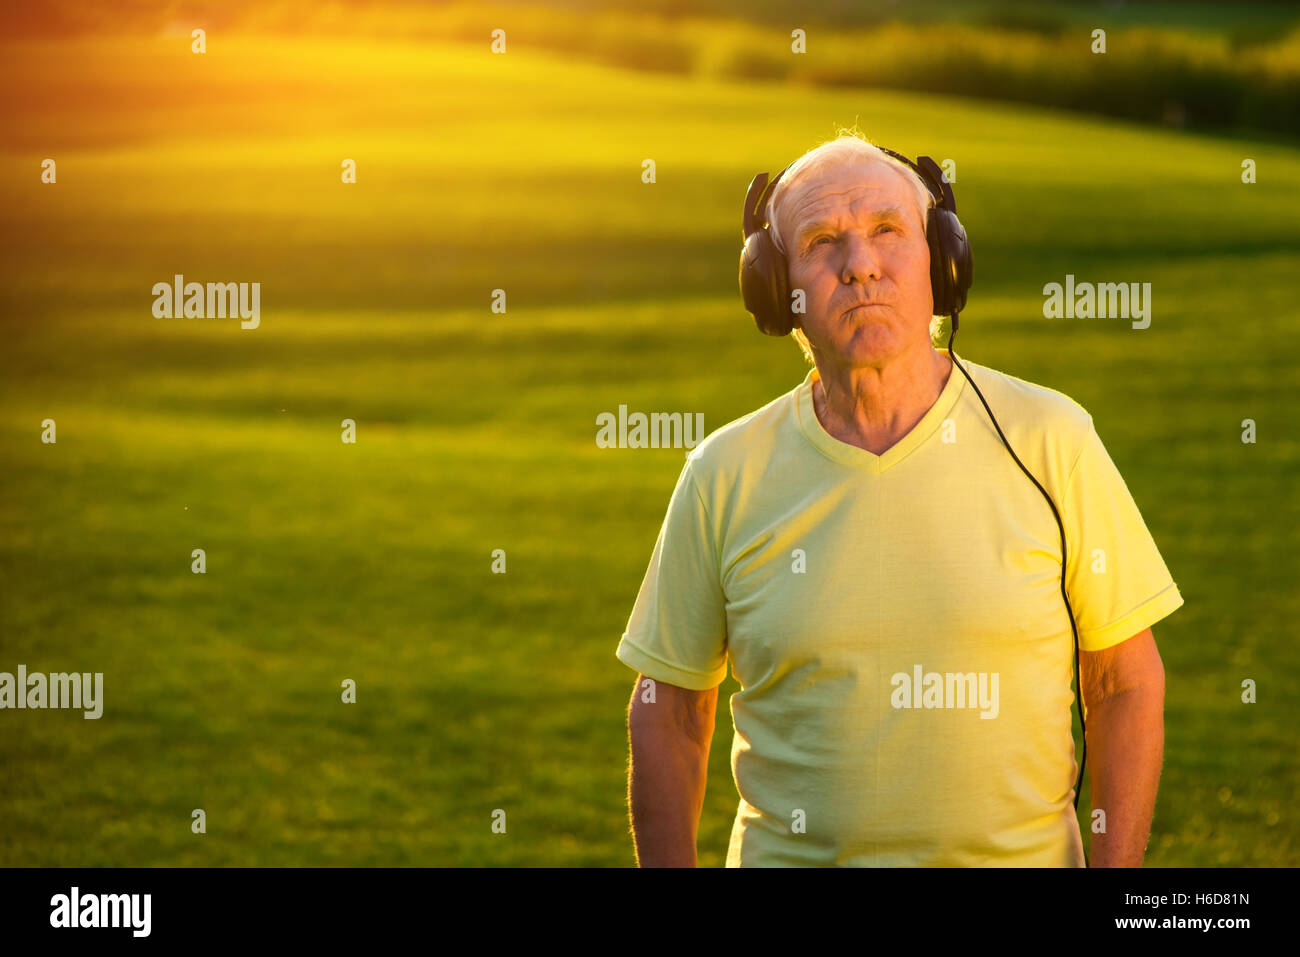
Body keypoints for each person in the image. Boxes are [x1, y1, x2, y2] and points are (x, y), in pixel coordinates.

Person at [617, 132, 1183, 867]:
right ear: (773, 287)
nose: (860, 265)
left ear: (942, 261)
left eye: (888, 229)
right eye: (822, 242)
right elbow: (668, 711)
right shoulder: (723, 471)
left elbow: (1124, 683)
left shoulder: (1052, 439)